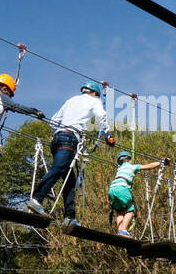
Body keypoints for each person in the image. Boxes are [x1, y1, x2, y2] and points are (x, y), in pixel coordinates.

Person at [26, 80, 113, 225]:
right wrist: (108, 136)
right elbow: (102, 117)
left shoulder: (71, 100)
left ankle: (70, 217)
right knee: (58, 169)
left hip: (57, 139)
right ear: (95, 93)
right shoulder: (95, 101)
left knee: (69, 180)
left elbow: (53, 121)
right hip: (70, 140)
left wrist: (61, 131)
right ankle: (37, 199)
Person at [108, 150, 167, 235]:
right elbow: (149, 166)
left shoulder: (119, 169)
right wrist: (161, 162)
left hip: (112, 189)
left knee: (119, 211)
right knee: (130, 210)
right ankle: (123, 230)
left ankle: (120, 231)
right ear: (130, 160)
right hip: (122, 188)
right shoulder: (132, 166)